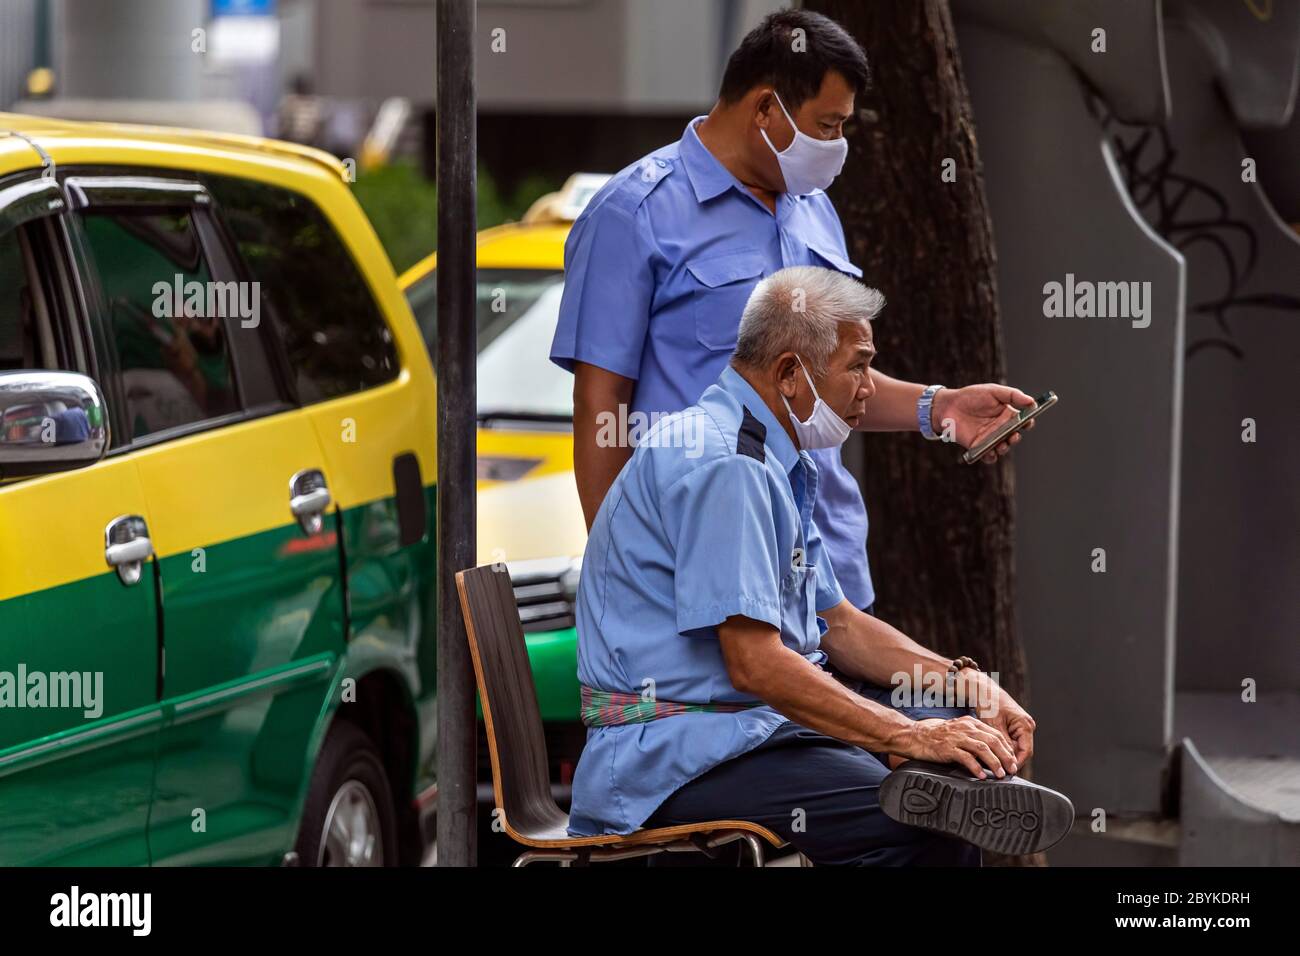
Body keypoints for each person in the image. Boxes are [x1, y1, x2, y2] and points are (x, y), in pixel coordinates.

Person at [566, 267, 1074, 865]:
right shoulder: (728, 467)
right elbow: (754, 663)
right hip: (681, 758)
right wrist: (905, 734)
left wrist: (967, 685)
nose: (868, 386)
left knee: (955, 744)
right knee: (926, 819)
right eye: (858, 366)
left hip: (748, 730)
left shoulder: (771, 454)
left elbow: (839, 624)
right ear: (789, 374)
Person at [550, 8, 1036, 622]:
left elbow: (828, 384)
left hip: (827, 571)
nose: (837, 146)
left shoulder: (813, 211)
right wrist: (625, 572)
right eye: (827, 126)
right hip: (704, 572)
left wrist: (939, 408)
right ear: (765, 109)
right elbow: (601, 407)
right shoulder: (634, 212)